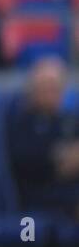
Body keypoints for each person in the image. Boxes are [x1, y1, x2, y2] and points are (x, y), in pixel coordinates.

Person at [4, 56, 79, 222]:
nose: (51, 94)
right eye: (46, 87)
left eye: (55, 88)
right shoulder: (20, 121)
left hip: (71, 189)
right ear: (33, 89)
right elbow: (23, 160)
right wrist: (60, 158)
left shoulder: (70, 120)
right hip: (40, 193)